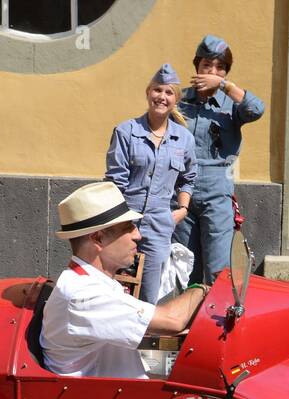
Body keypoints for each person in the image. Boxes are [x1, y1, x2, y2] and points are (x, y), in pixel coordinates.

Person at [41, 182, 207, 379]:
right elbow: (173, 321)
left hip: (118, 396)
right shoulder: (83, 295)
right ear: (98, 239)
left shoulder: (92, 282)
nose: (138, 235)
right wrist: (203, 289)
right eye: (128, 228)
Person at [175, 34, 264, 285]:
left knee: (219, 268)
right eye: (206, 66)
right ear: (197, 67)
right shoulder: (180, 100)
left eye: (219, 68)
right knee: (185, 265)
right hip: (182, 190)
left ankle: (215, 322)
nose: (212, 72)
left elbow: (256, 109)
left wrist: (225, 86)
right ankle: (187, 322)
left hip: (217, 191)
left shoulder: (232, 103)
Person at [105, 64, 196, 304]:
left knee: (149, 294)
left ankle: (143, 338)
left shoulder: (183, 138)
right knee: (114, 285)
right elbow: (115, 181)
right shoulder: (126, 131)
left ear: (175, 99)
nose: (162, 97)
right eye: (157, 90)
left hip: (160, 225)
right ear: (148, 92)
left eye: (168, 92)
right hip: (125, 221)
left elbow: (188, 178)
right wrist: (118, 222)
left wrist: (181, 211)